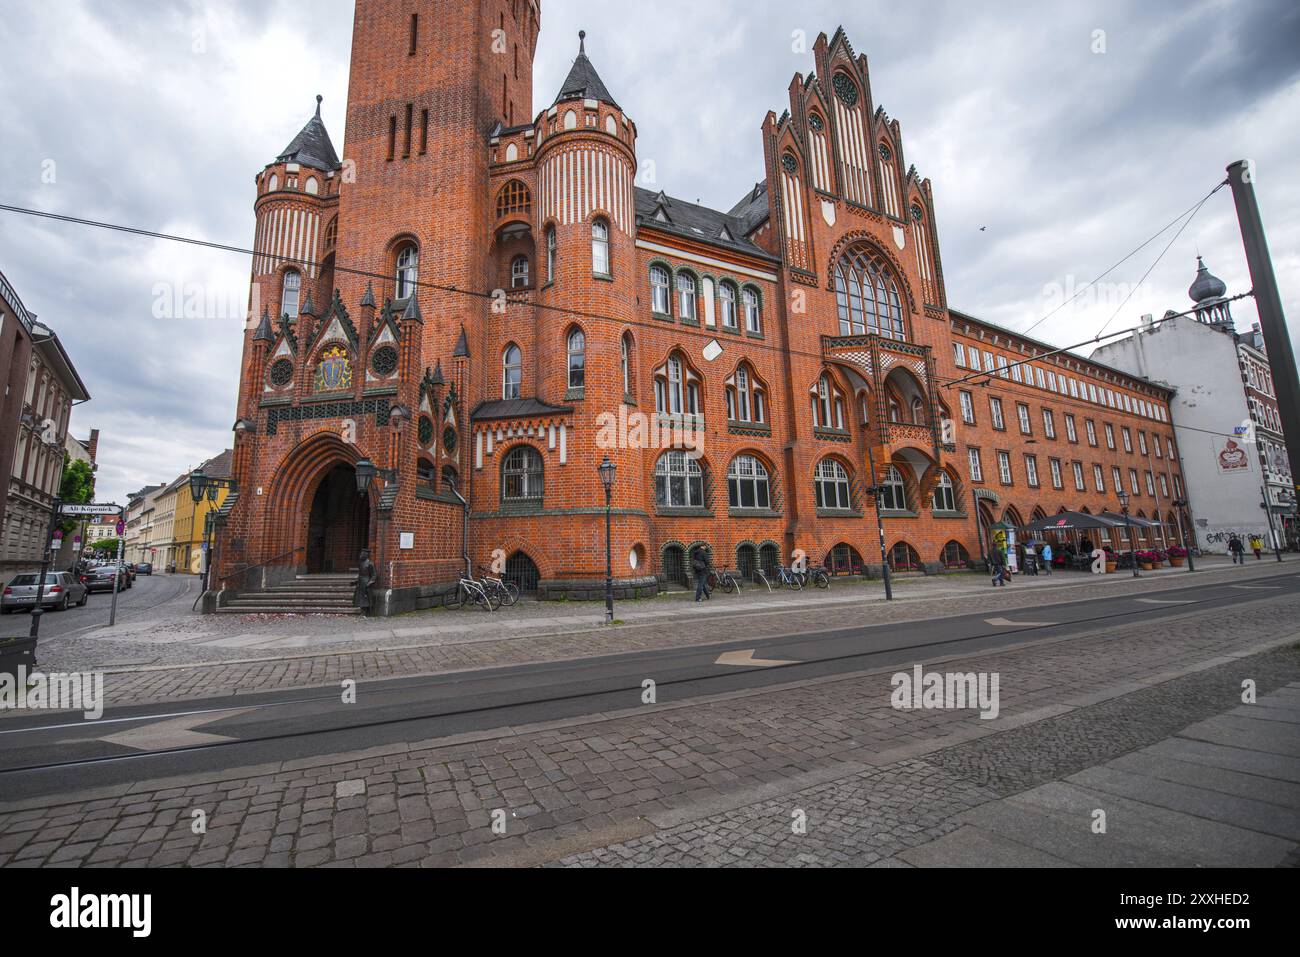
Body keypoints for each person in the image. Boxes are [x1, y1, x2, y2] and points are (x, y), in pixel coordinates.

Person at [355, 549, 377, 616]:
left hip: (366, 582)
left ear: (366, 555)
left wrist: (370, 582)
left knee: (366, 598)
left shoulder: (370, 563)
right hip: (361, 582)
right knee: (360, 597)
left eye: (362, 554)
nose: (360, 555)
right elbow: (360, 573)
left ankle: (366, 612)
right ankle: (362, 610)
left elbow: (374, 574)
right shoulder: (361, 563)